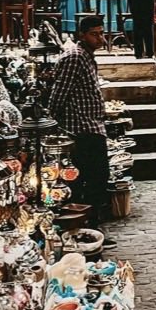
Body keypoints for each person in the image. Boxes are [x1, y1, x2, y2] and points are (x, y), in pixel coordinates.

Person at [48, 15, 115, 247]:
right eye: (95, 34)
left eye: (101, 33)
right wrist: (54, 122)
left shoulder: (86, 56)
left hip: (92, 126)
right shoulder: (74, 57)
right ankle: (85, 228)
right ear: (82, 35)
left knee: (97, 180)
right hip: (80, 129)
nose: (100, 38)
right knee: (88, 180)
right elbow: (59, 93)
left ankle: (91, 226)